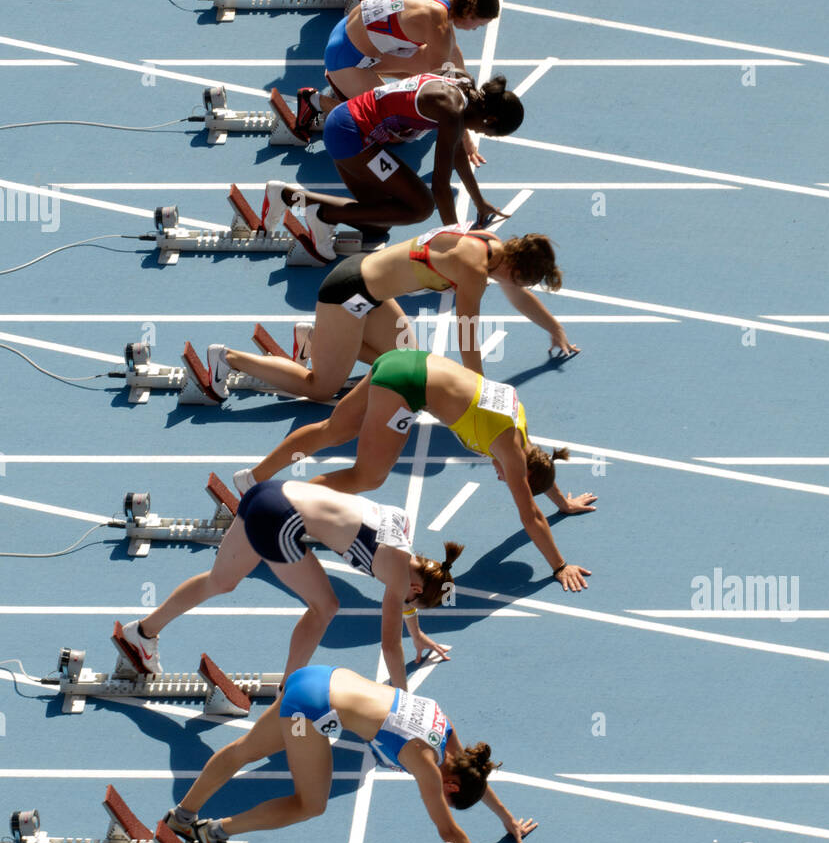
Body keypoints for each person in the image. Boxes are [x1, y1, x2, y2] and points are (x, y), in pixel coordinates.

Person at [161, 662, 536, 843]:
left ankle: (181, 816)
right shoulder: (424, 763)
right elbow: (448, 831)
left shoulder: (446, 730)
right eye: (447, 796)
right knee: (310, 804)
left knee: (245, 751)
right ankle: (213, 832)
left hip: (316, 676)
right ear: (450, 787)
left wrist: (508, 819)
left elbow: (476, 777)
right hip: (309, 712)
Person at [232, 351, 596, 592]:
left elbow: (539, 470)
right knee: (368, 477)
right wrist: (559, 565)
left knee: (334, 430)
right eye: (509, 477)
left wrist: (562, 502)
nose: (503, 477)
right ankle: (289, 510)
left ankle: (254, 478)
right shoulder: (512, 454)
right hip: (404, 389)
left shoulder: (521, 429)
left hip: (401, 359)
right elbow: (530, 515)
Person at [112, 481, 459, 692]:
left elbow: (406, 599)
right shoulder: (400, 576)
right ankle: (289, 690)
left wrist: (415, 633)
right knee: (326, 607)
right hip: (279, 521)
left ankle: (143, 631)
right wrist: (402, 701)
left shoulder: (402, 530)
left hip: (267, 494)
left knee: (221, 581)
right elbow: (389, 648)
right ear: (415, 586)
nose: (403, 602)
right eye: (411, 600)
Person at [203, 222, 577, 405]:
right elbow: (466, 334)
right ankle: (227, 359)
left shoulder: (493, 245)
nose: (513, 285)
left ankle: (317, 339)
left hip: (371, 292)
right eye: (520, 280)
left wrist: (554, 327)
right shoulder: (474, 268)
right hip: (348, 293)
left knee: (405, 365)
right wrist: (481, 394)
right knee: (321, 389)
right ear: (513, 266)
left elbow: (516, 295)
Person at [265, 71, 523, 255]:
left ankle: (286, 197)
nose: (478, 133)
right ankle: (322, 215)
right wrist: (454, 242)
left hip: (348, 125)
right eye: (484, 132)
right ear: (489, 119)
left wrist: (479, 201)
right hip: (351, 135)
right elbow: (440, 186)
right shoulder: (451, 110)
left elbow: (456, 154)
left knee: (377, 222)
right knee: (421, 207)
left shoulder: (462, 84)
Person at [282, 0, 499, 159]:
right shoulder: (438, 25)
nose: (476, 30)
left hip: (346, 32)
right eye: (479, 24)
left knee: (429, 61)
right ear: (469, 13)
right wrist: (464, 137)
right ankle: (314, 101)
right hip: (345, 60)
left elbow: (453, 55)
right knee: (397, 132)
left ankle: (348, 85)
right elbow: (442, 87)